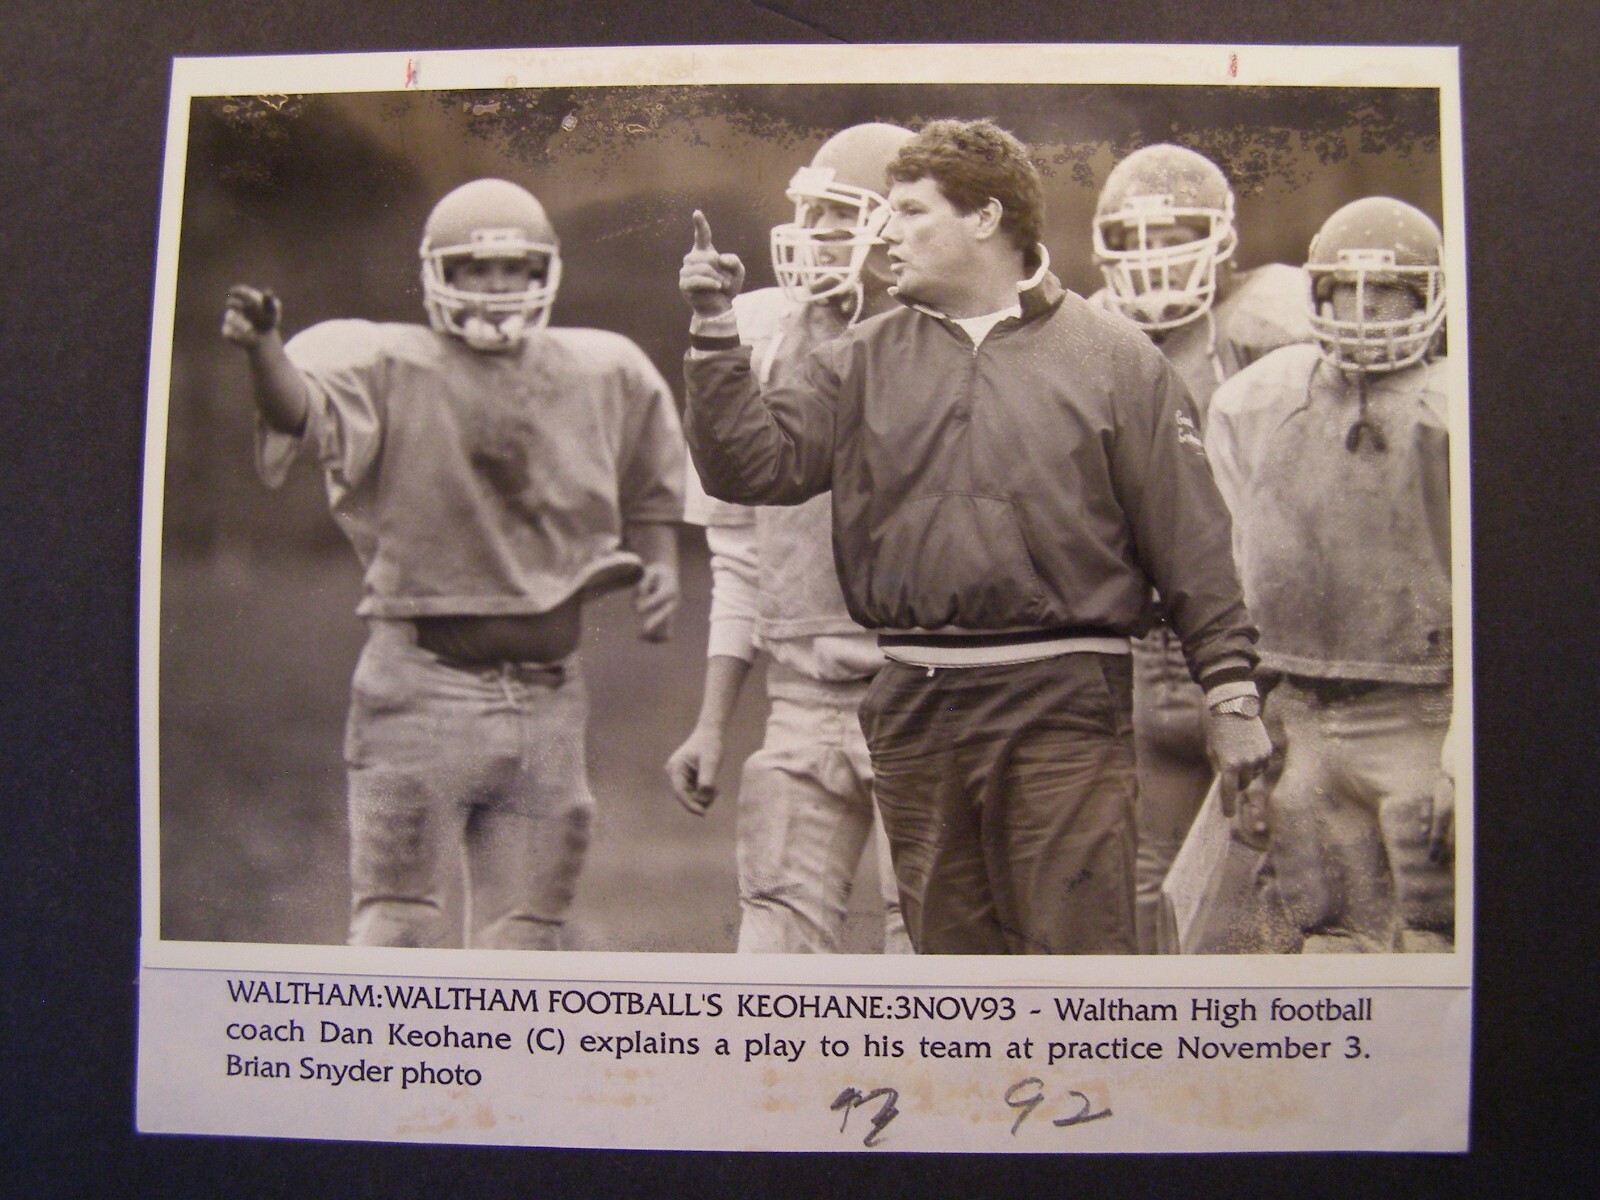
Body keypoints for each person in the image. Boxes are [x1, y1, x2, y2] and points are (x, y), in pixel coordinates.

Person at [680, 119, 1271, 955]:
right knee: (948, 977)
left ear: (987, 218)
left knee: (1075, 962)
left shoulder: (1117, 358)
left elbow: (1192, 545)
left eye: (911, 212)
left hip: (1064, 704)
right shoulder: (861, 357)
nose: (887, 233)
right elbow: (754, 468)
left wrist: (1232, 694)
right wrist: (714, 335)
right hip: (916, 703)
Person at [220, 178, 685, 949]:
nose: (497, 287)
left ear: (545, 273)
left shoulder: (602, 367)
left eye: (513, 269)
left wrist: (661, 558)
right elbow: (298, 410)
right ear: (439, 275)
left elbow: (652, 469)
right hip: (421, 692)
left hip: (551, 698)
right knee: (397, 922)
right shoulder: (390, 363)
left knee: (528, 933)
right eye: (476, 269)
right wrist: (265, 351)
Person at [665, 123, 915, 955]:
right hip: (802, 696)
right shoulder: (761, 329)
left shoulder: (944, 338)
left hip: (926, 689)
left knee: (928, 943)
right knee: (773, 951)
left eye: (842, 218)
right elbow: (743, 555)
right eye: (813, 216)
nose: (819, 237)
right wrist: (711, 723)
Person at [1205, 195, 1455, 953]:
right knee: (1320, 924)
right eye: (1345, 291)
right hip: (1304, 707)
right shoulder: (1258, 400)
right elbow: (1234, 570)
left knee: (1432, 924)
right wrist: (1248, 710)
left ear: (1430, 297)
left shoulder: (1453, 406)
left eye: (1389, 294)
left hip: (1420, 709)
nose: (1363, 310)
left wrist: (1464, 752)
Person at [1090, 143, 1311, 953]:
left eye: (1173, 235)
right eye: (1135, 239)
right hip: (1143, 647)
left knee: (1277, 859)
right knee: (1147, 875)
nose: (1152, 258)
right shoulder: (1088, 328)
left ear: (1221, 239)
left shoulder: (1271, 321)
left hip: (1253, 642)